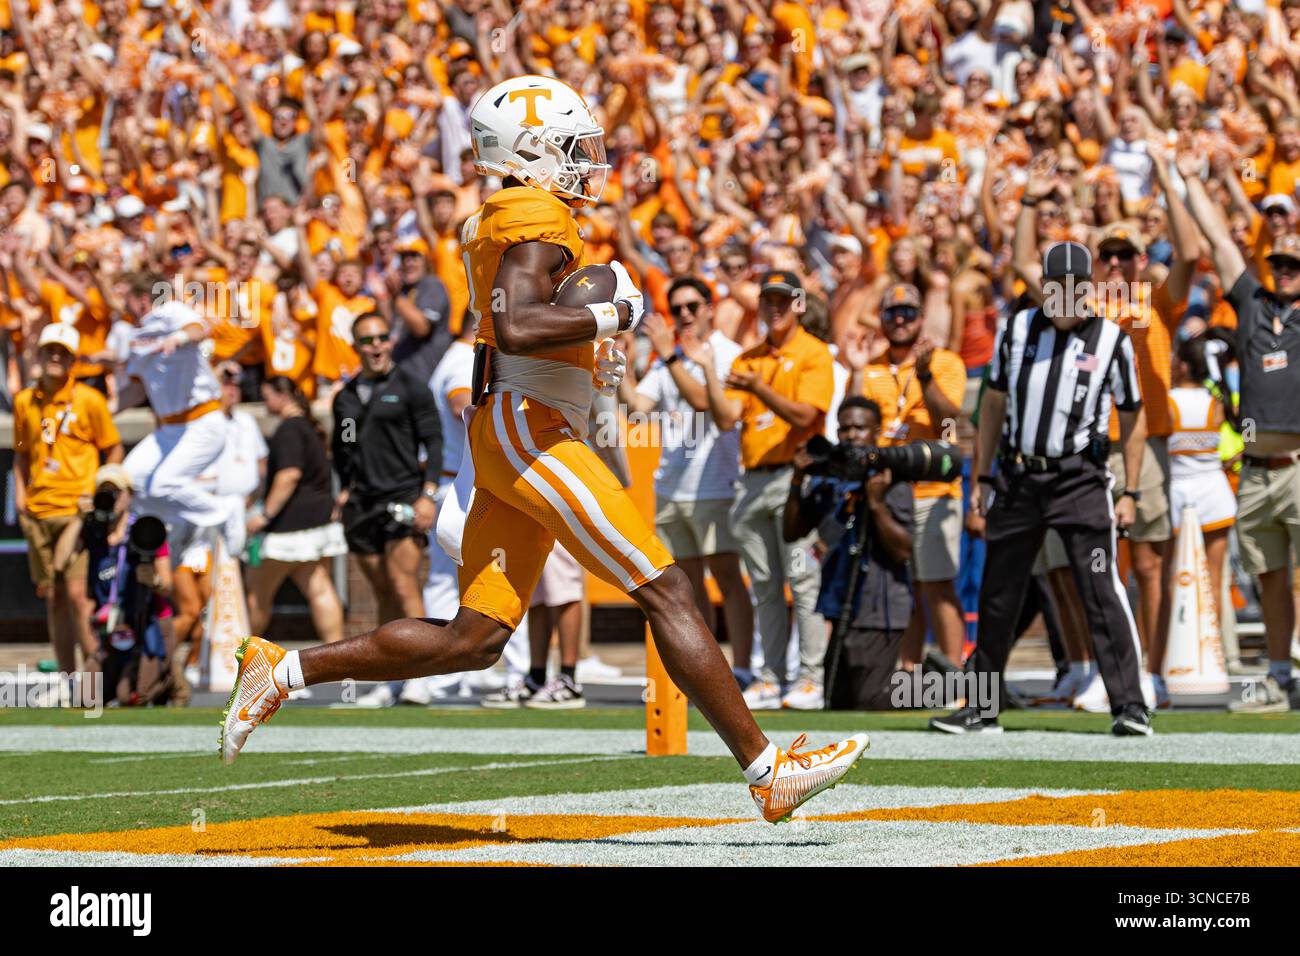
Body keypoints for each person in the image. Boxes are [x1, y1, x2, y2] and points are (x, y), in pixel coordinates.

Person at [222, 76, 866, 824]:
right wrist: (609, 314)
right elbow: (522, 325)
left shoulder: (506, 215)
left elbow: (501, 330)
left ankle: (283, 668)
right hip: (530, 429)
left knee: (474, 638)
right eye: (569, 147)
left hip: (509, 424)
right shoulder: (532, 211)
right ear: (529, 151)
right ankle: (768, 771)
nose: (583, 161)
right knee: (666, 587)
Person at [932, 240, 1152, 737]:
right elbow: (991, 406)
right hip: (1018, 477)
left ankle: (1130, 705)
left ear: (1089, 289)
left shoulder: (1112, 339)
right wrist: (982, 478)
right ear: (1045, 288)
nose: (1067, 298)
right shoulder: (1015, 331)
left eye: (1077, 288)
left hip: (1080, 479)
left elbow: (1134, 415)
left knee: (1099, 587)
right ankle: (981, 708)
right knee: (998, 593)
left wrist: (1132, 490)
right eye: (1058, 288)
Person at [1179, 150, 1300, 713]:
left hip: (1298, 464)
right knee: (1269, 576)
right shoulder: (1252, 304)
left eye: (1295, 265)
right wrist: (1187, 179)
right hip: (1254, 471)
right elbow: (1220, 243)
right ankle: (1278, 676)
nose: (1285, 272)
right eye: (1280, 264)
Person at [702, 270, 836, 711]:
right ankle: (771, 675)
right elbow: (725, 418)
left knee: (803, 578)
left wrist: (760, 388)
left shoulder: (814, 354)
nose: (774, 308)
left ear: (799, 304)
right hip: (755, 476)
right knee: (764, 583)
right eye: (767, 301)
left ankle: (810, 677)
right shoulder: (748, 357)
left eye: (783, 300)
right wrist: (705, 371)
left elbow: (805, 417)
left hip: (797, 479)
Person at [618, 278, 754, 688]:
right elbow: (639, 408)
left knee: (728, 580)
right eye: (677, 309)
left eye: (693, 306)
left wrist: (670, 355)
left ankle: (744, 668)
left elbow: (705, 404)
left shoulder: (729, 354)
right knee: (688, 591)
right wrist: (621, 369)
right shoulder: (667, 359)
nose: (686, 315)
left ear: (711, 307)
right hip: (672, 485)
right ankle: (708, 675)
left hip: (716, 483)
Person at [851, 282, 968, 671]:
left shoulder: (947, 362)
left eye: (908, 312)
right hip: (888, 493)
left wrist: (925, 376)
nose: (900, 319)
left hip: (933, 490)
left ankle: (953, 674)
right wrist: (854, 369)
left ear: (921, 318)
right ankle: (907, 673)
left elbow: (948, 423)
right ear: (880, 318)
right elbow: (851, 423)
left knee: (936, 585)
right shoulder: (870, 366)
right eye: (891, 313)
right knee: (903, 589)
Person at [784, 398, 913, 710]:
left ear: (877, 432)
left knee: (870, 699)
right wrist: (798, 479)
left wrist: (877, 503)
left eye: (860, 428)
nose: (851, 435)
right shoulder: (833, 478)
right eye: (844, 428)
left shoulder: (890, 477)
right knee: (837, 700)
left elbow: (904, 550)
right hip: (841, 605)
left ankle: (950, 683)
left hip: (879, 605)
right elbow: (791, 532)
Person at [13, 322, 123, 676]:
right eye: (49, 351)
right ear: (39, 355)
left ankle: (97, 678)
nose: (55, 357)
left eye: (62, 352)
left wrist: (102, 489)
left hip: (77, 511)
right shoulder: (24, 401)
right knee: (54, 598)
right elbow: (21, 453)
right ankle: (67, 678)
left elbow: (114, 449)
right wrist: (19, 492)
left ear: (74, 360)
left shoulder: (90, 400)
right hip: (39, 509)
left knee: (78, 596)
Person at [119, 273, 247, 557]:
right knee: (131, 481)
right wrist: (104, 410)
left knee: (164, 483)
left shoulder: (168, 311)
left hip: (202, 421)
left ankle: (225, 510)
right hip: (169, 430)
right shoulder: (136, 335)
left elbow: (198, 329)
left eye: (125, 297)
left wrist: (178, 338)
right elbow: (136, 391)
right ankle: (187, 520)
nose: (121, 304)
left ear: (141, 300)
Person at [331, 311, 443, 630]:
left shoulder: (412, 388)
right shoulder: (346, 399)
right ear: (355, 346)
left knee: (403, 584)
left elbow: (434, 442)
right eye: (367, 340)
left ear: (391, 342)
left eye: (382, 337)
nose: (376, 346)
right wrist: (343, 489)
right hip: (363, 503)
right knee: (382, 591)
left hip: (403, 496)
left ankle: (422, 674)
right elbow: (344, 445)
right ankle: (393, 673)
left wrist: (428, 494)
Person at [244, 376, 346, 645]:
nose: (264, 402)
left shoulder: (288, 430)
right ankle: (337, 656)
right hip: (318, 524)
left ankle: (239, 660)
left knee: (256, 594)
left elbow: (289, 475)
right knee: (320, 589)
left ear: (281, 395)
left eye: (266, 395)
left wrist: (264, 515)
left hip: (286, 530)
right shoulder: (309, 428)